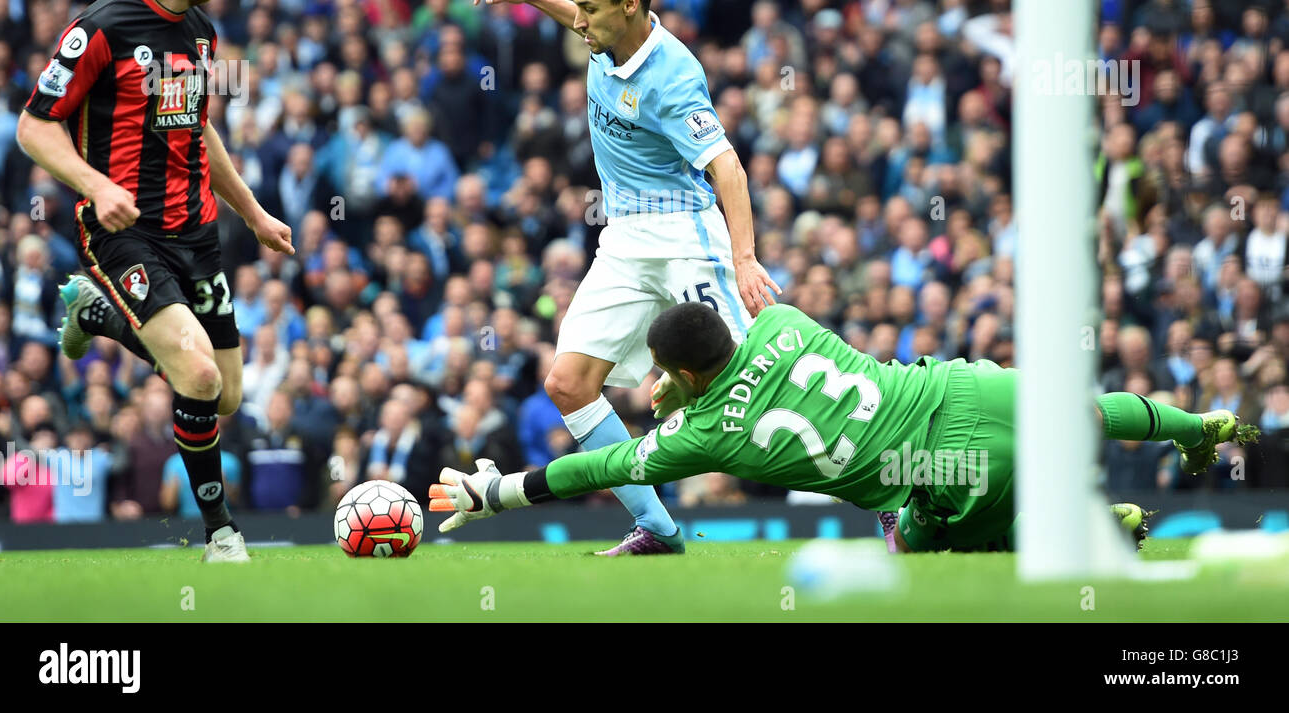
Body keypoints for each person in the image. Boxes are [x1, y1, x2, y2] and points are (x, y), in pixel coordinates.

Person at [429, 301, 1259, 552]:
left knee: (910, 539)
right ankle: (1195, 425)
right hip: (961, 385)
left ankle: (1089, 529)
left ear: (679, 377)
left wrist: (495, 489)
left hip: (941, 465)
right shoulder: (783, 321)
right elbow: (729, 333)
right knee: (1074, 411)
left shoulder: (697, 436)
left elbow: (592, 471)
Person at [455, 0, 781, 554]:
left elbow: (728, 168)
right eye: (573, 5)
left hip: (686, 236)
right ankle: (658, 530)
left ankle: (887, 495)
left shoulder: (673, 78)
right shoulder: (605, 36)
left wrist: (742, 259)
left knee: (756, 387)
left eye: (588, 9)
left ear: (630, 6)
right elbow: (579, 16)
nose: (577, 20)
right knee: (569, 383)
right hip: (625, 239)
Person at [16, 0, 294, 562]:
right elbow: (33, 127)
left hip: (197, 236)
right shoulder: (101, 27)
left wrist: (253, 213)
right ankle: (222, 534)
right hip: (124, 233)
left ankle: (99, 315)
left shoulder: (200, 31)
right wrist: (94, 184)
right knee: (197, 378)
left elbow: (199, 131)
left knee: (226, 396)